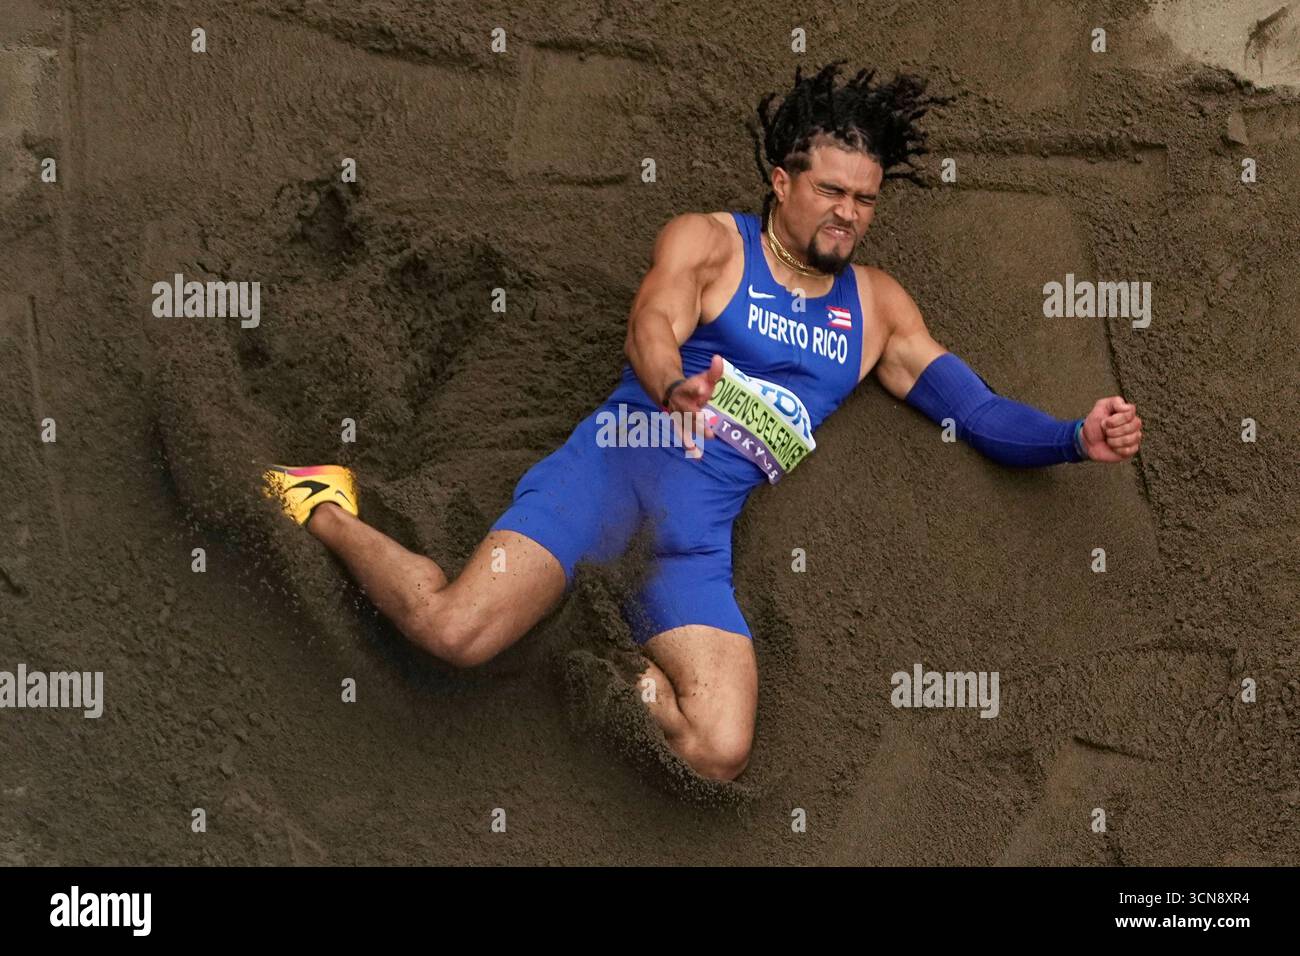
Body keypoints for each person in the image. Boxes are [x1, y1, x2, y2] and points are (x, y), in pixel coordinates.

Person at [263, 62, 1144, 782]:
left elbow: (976, 410)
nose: (848, 213)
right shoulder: (711, 243)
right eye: (832, 190)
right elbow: (653, 322)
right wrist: (670, 384)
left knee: (717, 747)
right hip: (602, 482)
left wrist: (1073, 436)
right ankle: (325, 503)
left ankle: (583, 642)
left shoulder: (877, 311)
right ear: (781, 179)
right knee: (454, 633)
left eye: (866, 200)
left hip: (690, 544)